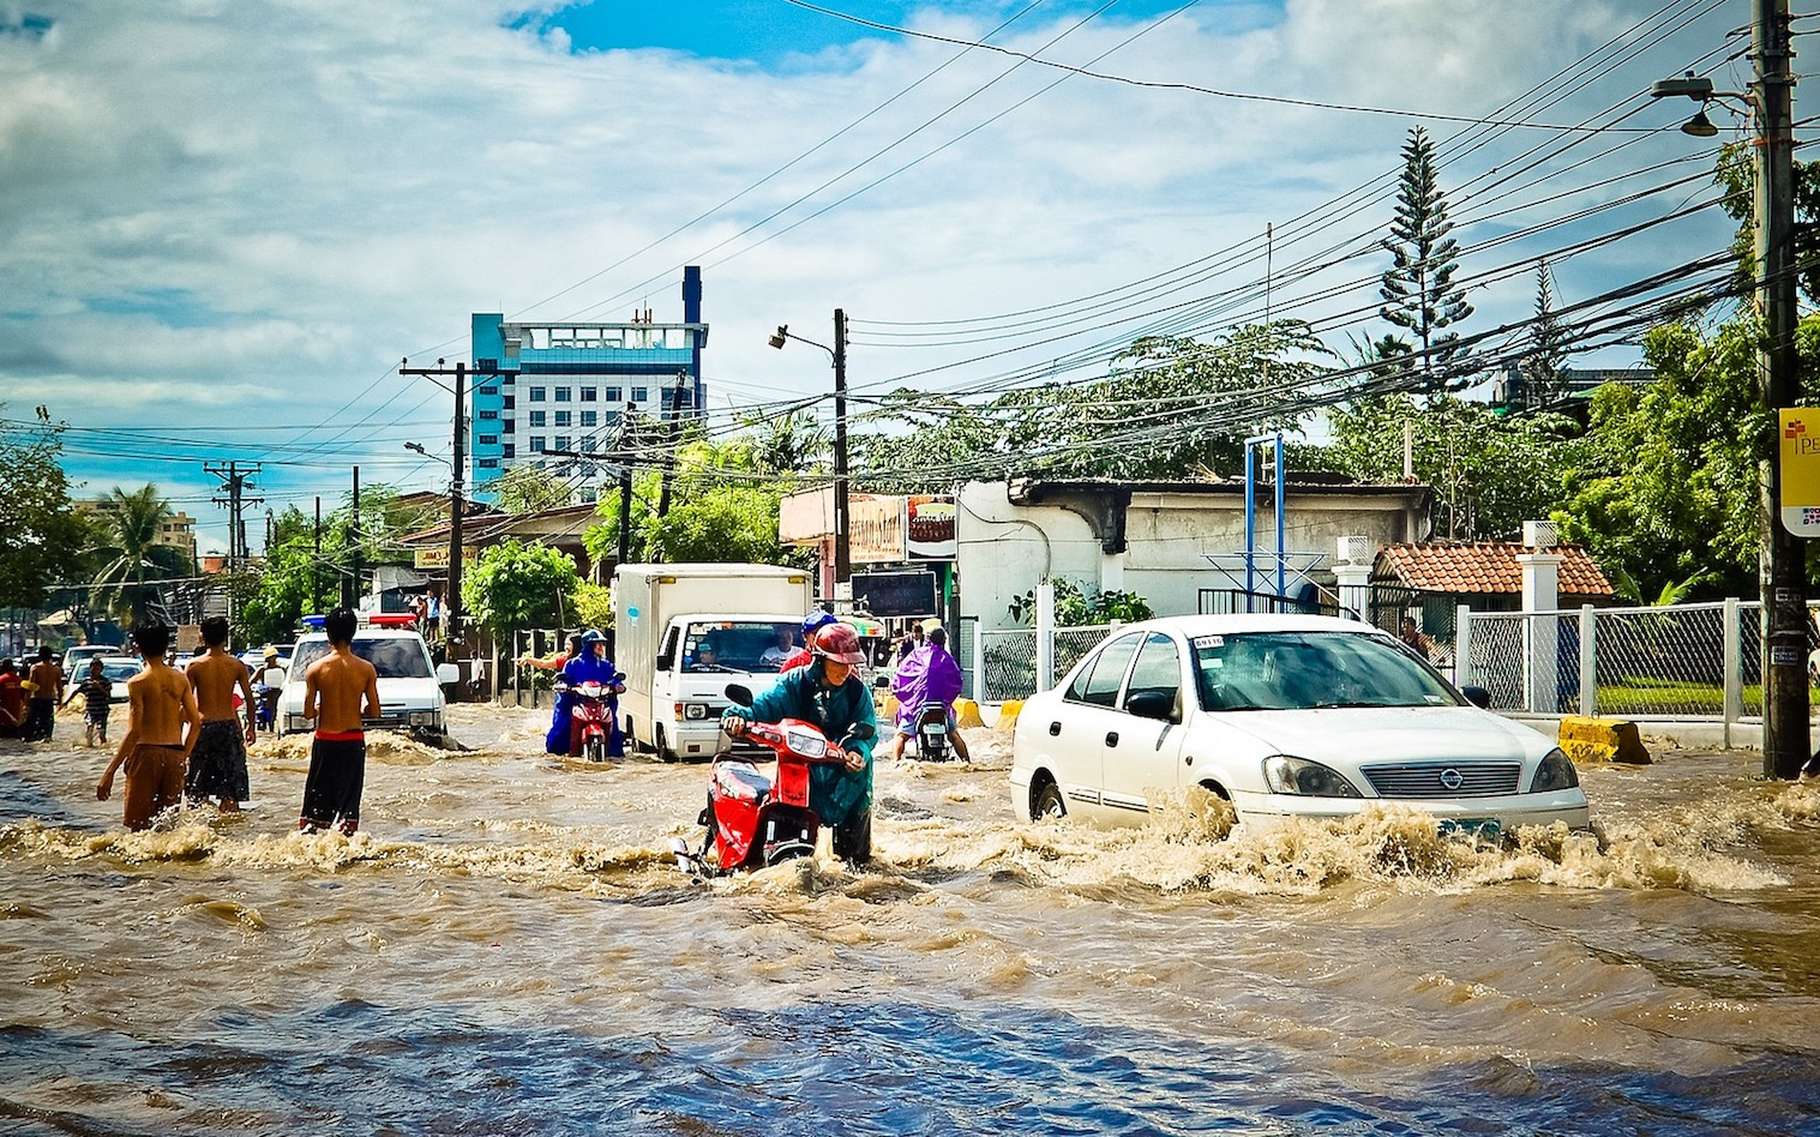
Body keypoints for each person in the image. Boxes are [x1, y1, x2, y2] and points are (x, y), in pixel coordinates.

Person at [722, 623, 876, 863]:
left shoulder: (858, 692)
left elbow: (867, 731)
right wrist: (737, 716)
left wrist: (858, 752)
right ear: (820, 659)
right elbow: (763, 705)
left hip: (847, 773)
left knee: (856, 863)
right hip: (803, 767)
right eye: (838, 663)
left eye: (850, 664)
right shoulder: (793, 683)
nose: (845, 670)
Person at [95, 624, 200, 831]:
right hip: (174, 754)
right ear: (165, 646)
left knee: (139, 828)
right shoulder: (180, 679)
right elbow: (196, 723)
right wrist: (183, 756)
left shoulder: (138, 682)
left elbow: (134, 732)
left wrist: (109, 772)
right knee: (167, 827)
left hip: (146, 754)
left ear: (139, 647)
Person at [299, 607, 380, 835]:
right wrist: (357, 710)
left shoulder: (315, 669)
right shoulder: (366, 669)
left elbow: (307, 713)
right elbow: (375, 711)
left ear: (328, 634)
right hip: (353, 741)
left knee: (316, 808)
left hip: (325, 741)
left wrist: (321, 708)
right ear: (353, 633)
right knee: (348, 807)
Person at [183, 617, 257, 813]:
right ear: (226, 637)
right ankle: (231, 835)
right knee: (230, 792)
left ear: (202, 637)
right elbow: (250, 699)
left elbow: (185, 703)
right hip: (228, 728)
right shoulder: (236, 665)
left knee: (197, 790)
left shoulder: (194, 666)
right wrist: (251, 728)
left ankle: (196, 835)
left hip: (203, 728)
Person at [888, 625, 972, 761]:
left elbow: (901, 676)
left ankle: (895, 763)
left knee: (901, 736)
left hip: (916, 707)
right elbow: (957, 683)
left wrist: (897, 689)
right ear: (943, 641)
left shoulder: (916, 655)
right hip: (941, 708)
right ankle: (967, 762)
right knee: (953, 735)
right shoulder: (947, 659)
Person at [546, 630, 624, 757]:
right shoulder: (572, 663)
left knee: (613, 724)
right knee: (562, 724)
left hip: (601, 703)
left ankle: (614, 752)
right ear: (588, 646)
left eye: (602, 644)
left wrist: (617, 685)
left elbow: (614, 678)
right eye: (596, 644)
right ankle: (559, 750)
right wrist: (564, 686)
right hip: (578, 702)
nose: (600, 647)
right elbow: (563, 678)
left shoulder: (606, 665)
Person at [61, 657, 116, 748]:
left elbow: (108, 696)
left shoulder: (105, 681)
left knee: (101, 732)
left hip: (102, 711)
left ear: (101, 670)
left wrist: (99, 687)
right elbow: (76, 691)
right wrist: (66, 702)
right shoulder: (86, 682)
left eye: (97, 669)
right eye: (93, 668)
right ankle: (89, 747)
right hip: (90, 710)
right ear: (90, 668)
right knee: (90, 728)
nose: (95, 670)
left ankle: (104, 746)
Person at [776, 609, 838, 674]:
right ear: (805, 636)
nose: (823, 638)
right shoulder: (792, 665)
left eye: (828, 634)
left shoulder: (842, 663)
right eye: (816, 633)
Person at [23, 645, 63, 742]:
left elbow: (31, 686)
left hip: (36, 698)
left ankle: (30, 737)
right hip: (49, 699)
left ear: (40, 655)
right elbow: (59, 688)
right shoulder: (56, 669)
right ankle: (47, 737)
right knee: (48, 721)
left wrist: (26, 702)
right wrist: (60, 701)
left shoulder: (35, 668)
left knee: (32, 721)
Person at [254, 647, 288, 733]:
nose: (274, 660)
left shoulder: (281, 669)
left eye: (275, 657)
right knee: (269, 709)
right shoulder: (262, 670)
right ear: (267, 659)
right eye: (272, 658)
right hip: (267, 695)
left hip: (279, 694)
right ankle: (268, 726)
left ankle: (274, 728)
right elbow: (251, 681)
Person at [0, 659, 26, 738]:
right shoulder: (19, 680)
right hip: (16, 717)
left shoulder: (1, 679)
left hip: (4, 719)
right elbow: (23, 697)